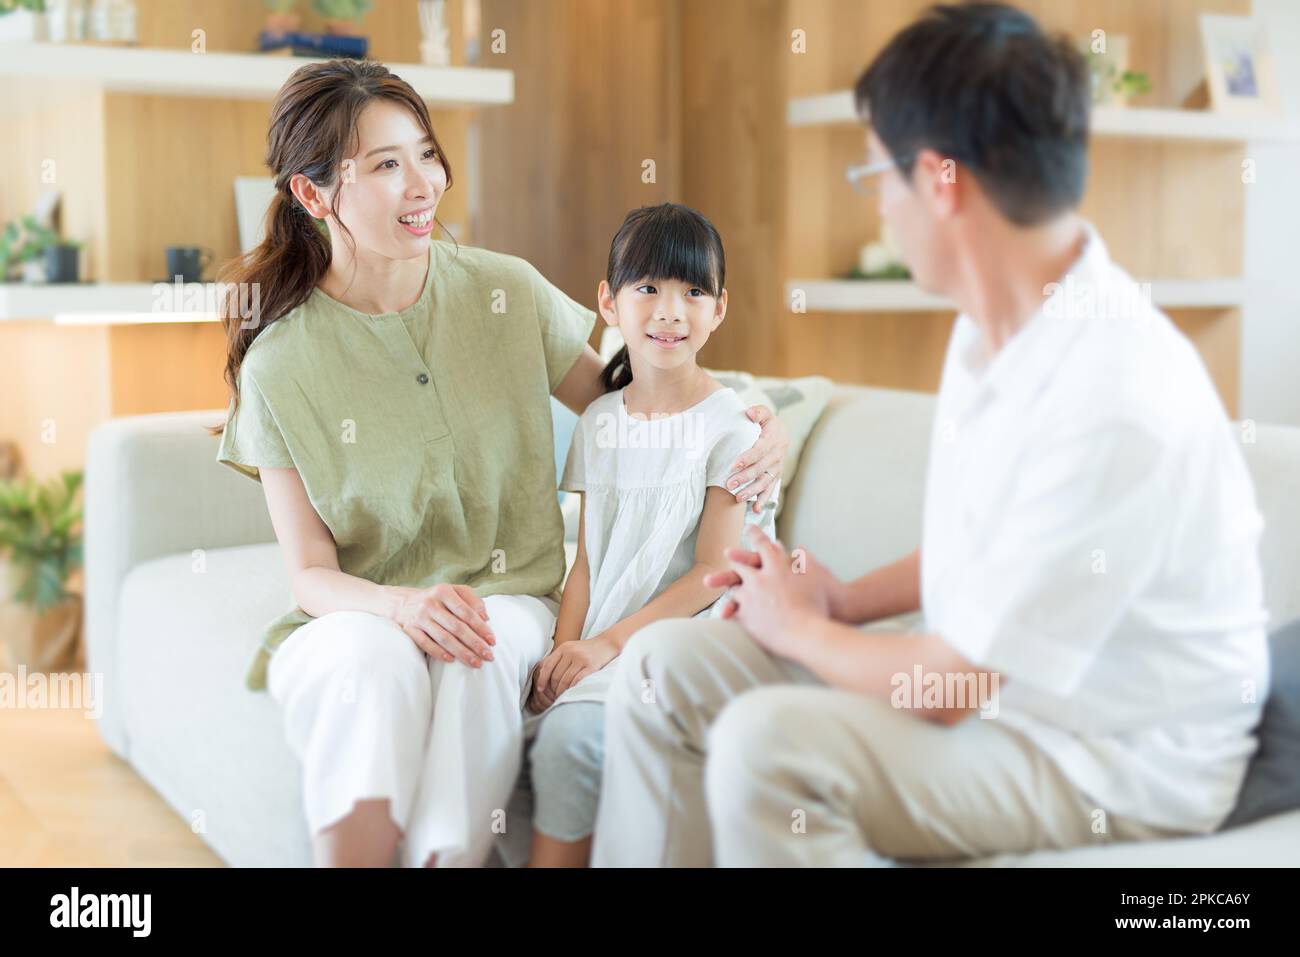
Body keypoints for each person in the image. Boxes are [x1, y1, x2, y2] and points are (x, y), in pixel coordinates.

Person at [591, 2, 1270, 867]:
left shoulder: (1115, 392)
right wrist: (837, 603)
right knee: (665, 667)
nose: (879, 207)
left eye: (877, 177)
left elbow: (955, 684)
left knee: (773, 749)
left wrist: (798, 629)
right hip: (1007, 693)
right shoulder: (991, 326)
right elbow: (986, 550)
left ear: (940, 182)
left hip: (1114, 755)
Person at [211, 59, 789, 868]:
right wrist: (403, 610)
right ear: (312, 197)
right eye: (385, 165)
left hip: (512, 594)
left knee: (479, 649)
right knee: (364, 669)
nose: (423, 184)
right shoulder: (280, 364)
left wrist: (759, 419)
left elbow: (633, 409)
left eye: (426, 154)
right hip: (366, 610)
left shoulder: (504, 292)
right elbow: (310, 574)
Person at [515, 204, 779, 867]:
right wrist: (563, 649)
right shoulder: (600, 422)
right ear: (608, 302)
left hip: (691, 641)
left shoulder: (731, 428)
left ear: (719, 310)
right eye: (649, 288)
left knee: (570, 742)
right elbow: (588, 561)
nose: (671, 310)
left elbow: (712, 574)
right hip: (609, 636)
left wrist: (603, 645)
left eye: (694, 291)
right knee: (537, 726)